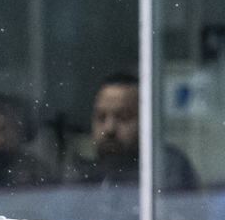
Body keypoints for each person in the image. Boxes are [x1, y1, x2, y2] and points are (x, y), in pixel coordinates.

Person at [67, 70, 200, 191]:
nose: (109, 128)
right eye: (101, 118)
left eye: (123, 117)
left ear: (147, 122)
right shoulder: (84, 177)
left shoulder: (169, 170)